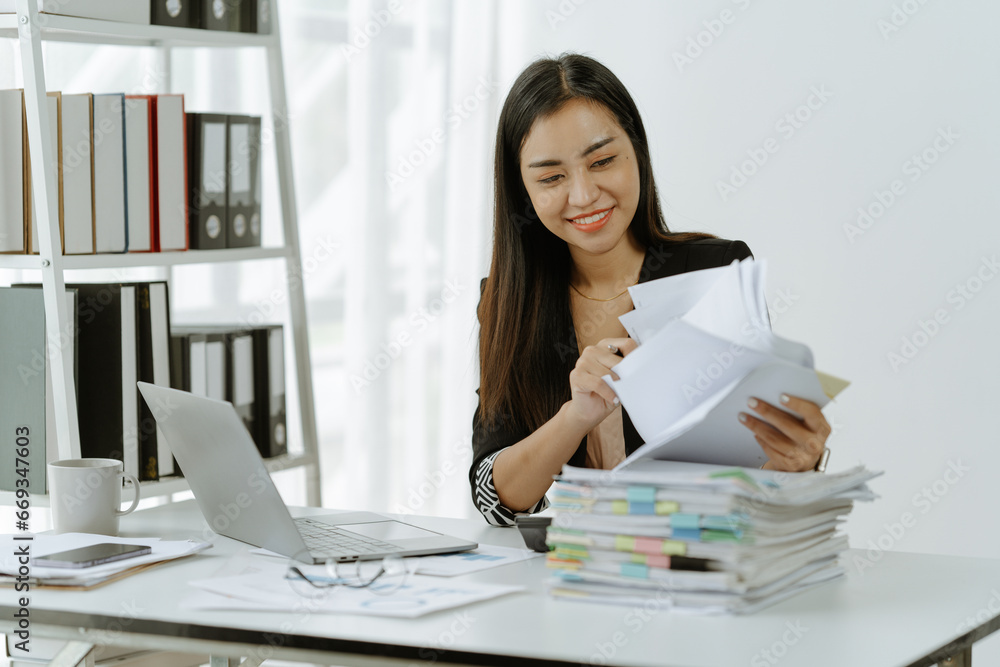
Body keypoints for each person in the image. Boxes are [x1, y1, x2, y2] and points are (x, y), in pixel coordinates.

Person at [470, 54, 830, 526]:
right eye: (551, 177)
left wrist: (796, 461)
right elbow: (494, 500)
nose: (582, 195)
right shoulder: (509, 302)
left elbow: (755, 462)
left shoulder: (715, 271)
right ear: (523, 191)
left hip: (700, 559)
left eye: (601, 161)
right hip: (577, 571)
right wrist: (575, 416)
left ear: (636, 153)